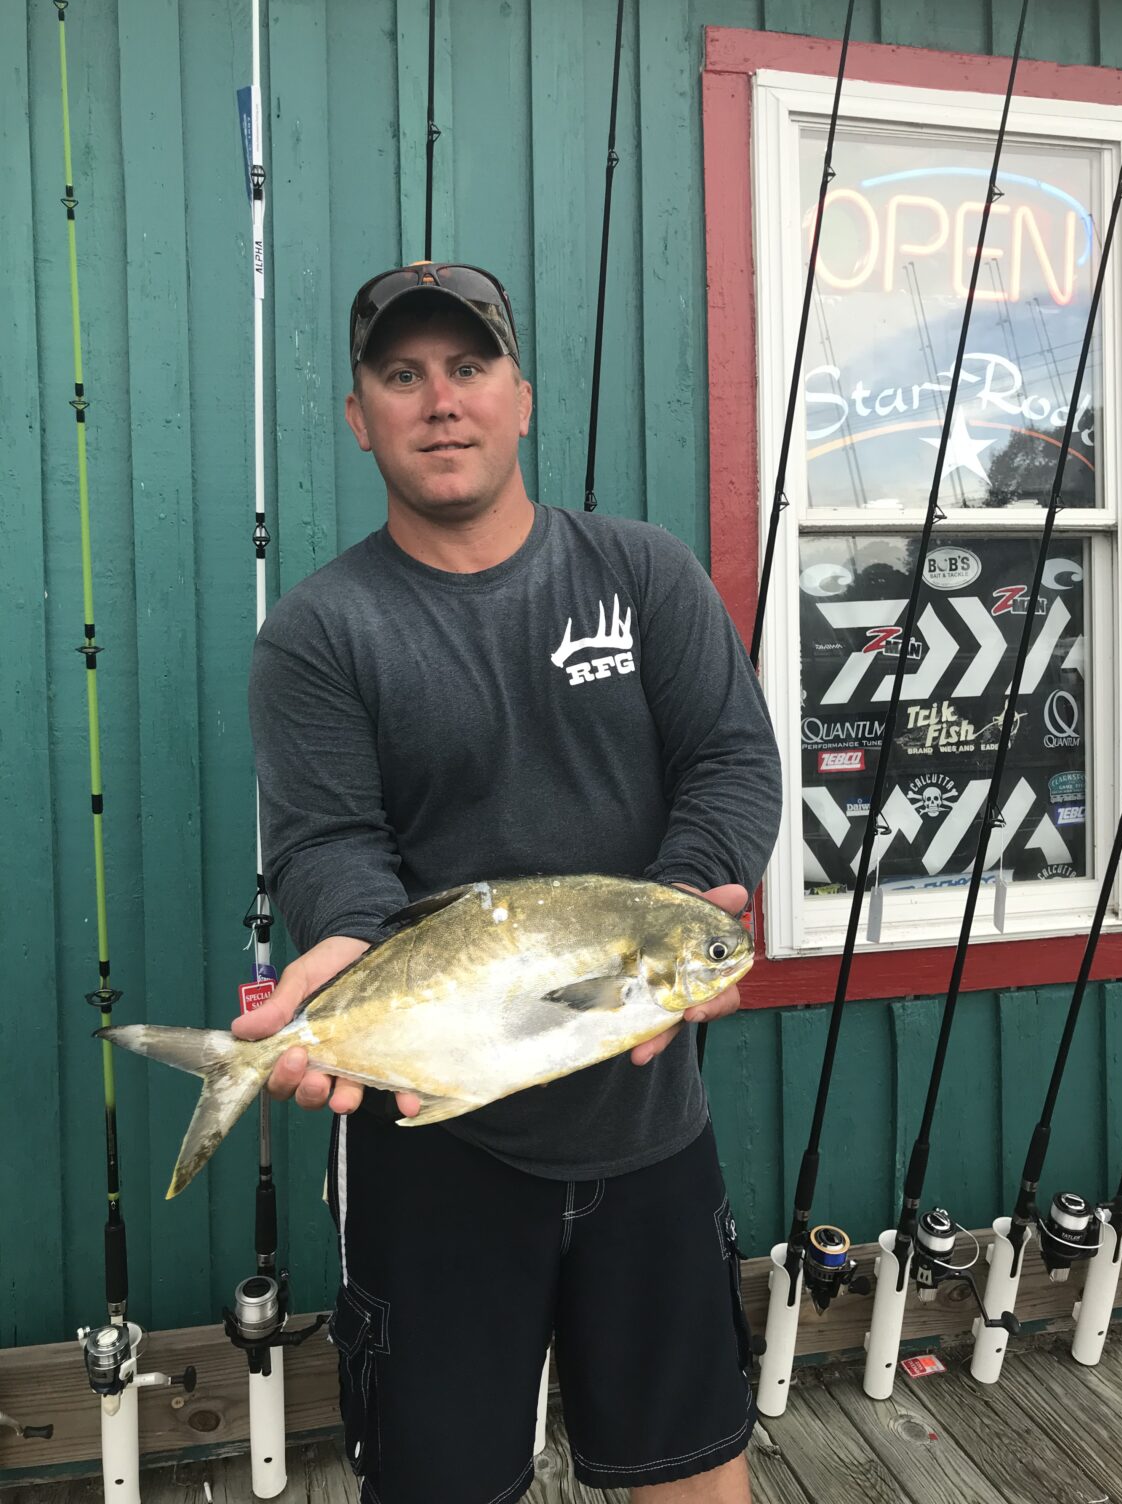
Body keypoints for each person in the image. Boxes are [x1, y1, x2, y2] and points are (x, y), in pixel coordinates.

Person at [238, 262, 781, 1503]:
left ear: (521, 399)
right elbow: (327, 844)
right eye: (402, 375)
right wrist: (349, 950)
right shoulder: (320, 635)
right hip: (434, 1148)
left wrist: (683, 904)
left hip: (651, 1136)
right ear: (358, 414)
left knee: (692, 1470)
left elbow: (733, 759)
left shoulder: (641, 574)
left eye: (470, 368)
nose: (442, 401)